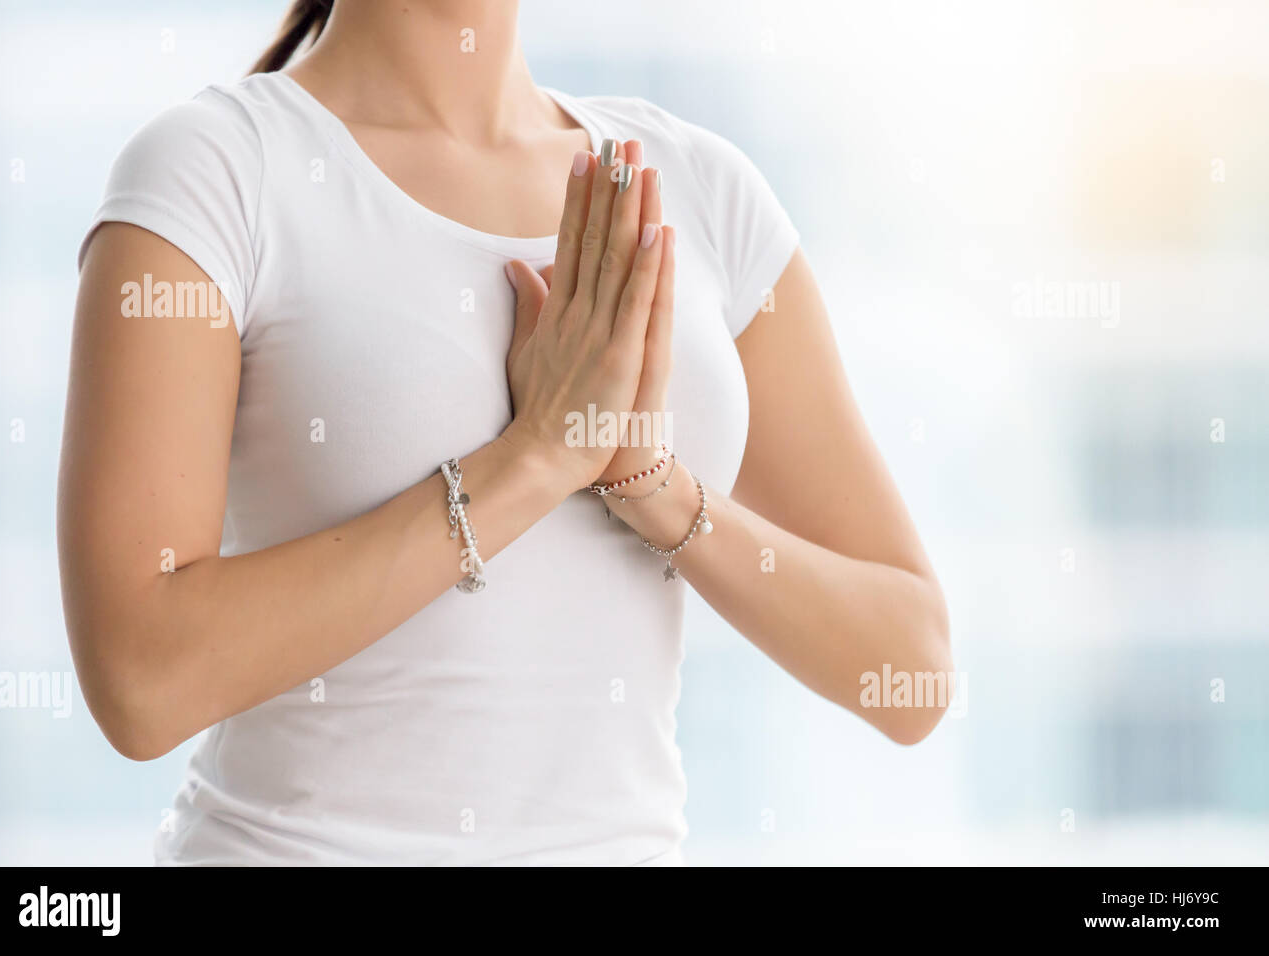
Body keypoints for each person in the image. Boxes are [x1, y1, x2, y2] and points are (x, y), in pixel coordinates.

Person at [58, 0, 951, 865]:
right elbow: (142, 682)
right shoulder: (212, 170)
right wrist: (536, 459)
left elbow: (912, 669)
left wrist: (654, 486)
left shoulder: (700, 186)